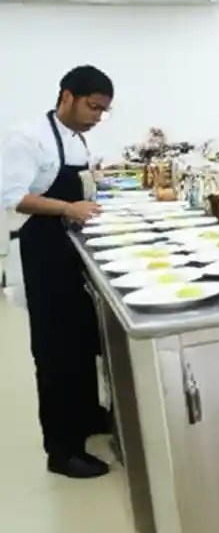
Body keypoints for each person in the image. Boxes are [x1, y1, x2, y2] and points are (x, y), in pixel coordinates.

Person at [1, 66, 115, 478]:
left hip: (69, 248)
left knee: (82, 338)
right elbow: (14, 197)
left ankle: (86, 415)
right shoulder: (27, 137)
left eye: (103, 111)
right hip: (41, 251)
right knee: (54, 352)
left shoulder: (74, 137)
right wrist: (68, 208)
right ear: (66, 95)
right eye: (92, 107)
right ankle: (62, 449)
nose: (96, 117)